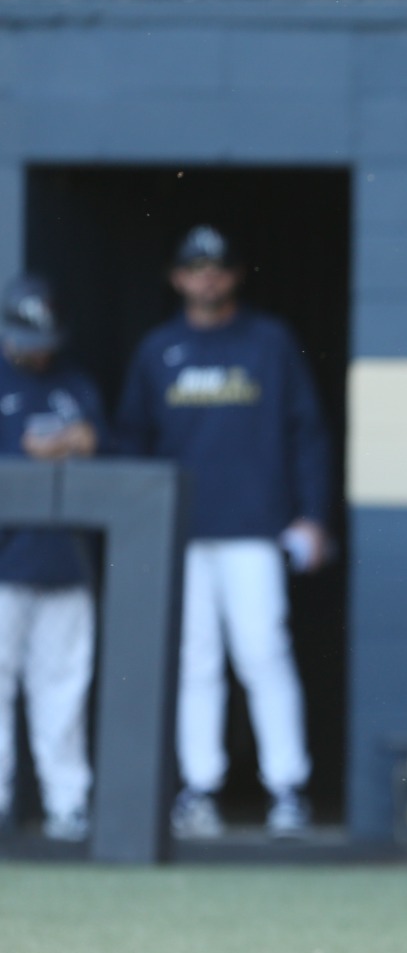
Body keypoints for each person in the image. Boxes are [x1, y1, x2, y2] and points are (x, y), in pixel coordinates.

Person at [117, 226, 331, 841]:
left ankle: (287, 787)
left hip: (255, 527)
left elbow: (306, 432)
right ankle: (198, 788)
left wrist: (312, 515)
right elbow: (132, 438)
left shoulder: (268, 341)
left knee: (263, 651)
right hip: (181, 529)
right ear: (177, 277)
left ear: (234, 275)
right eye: (194, 268)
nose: (206, 277)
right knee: (194, 661)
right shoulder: (159, 349)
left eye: (217, 267)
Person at [0, 276, 103, 842]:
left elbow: (111, 453)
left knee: (63, 687)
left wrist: (81, 442)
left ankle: (68, 803)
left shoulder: (74, 385)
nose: (35, 350)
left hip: (63, 559)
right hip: (4, 559)